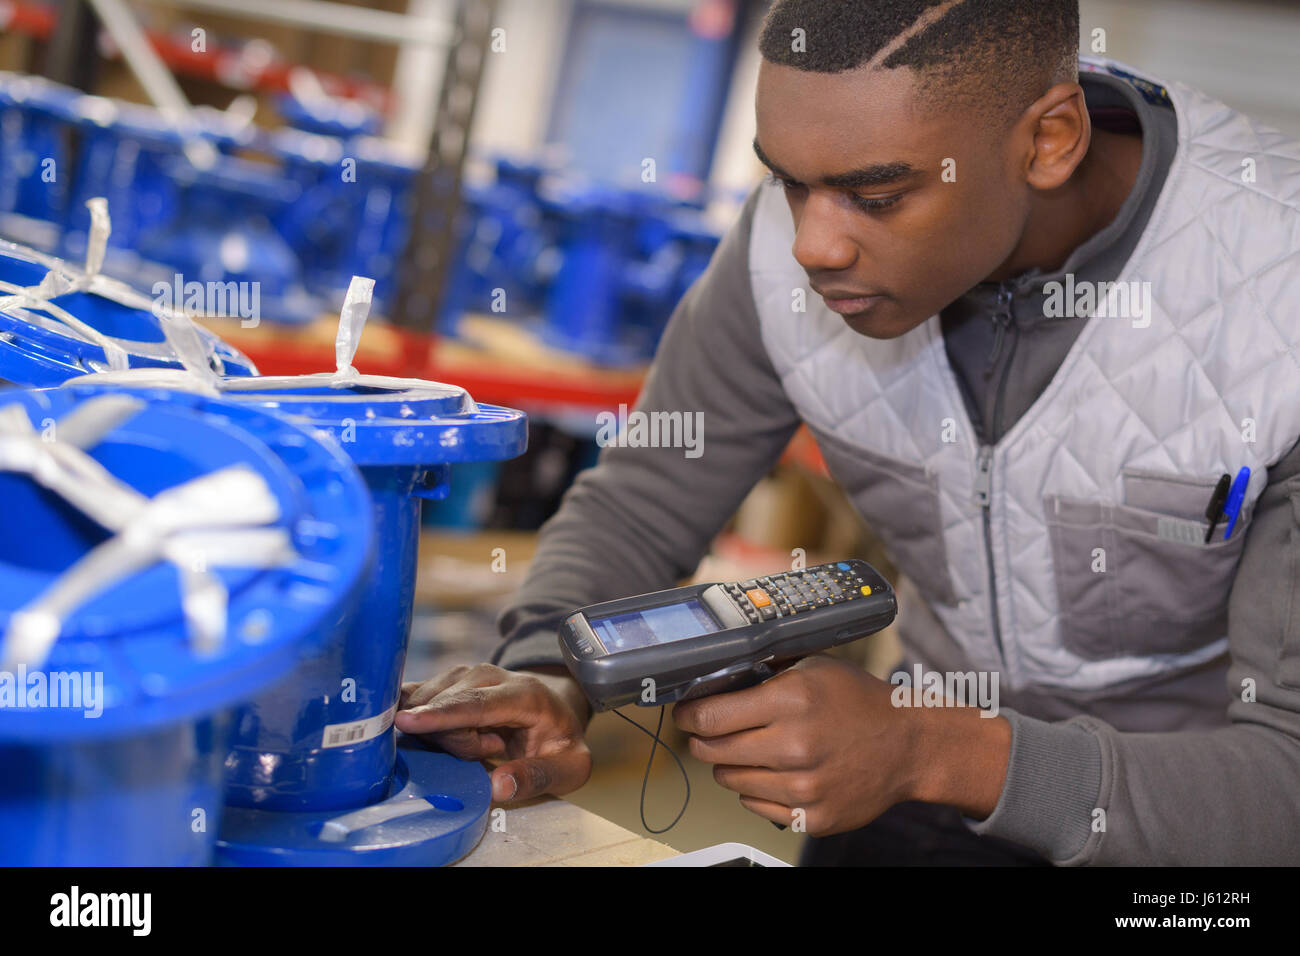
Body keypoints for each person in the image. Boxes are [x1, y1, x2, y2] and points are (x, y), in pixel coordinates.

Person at [396, 0, 1300, 865]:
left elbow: (1286, 775)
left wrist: (929, 748)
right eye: (788, 181)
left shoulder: (1276, 292)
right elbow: (645, 498)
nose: (812, 247)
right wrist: (552, 670)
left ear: (1050, 139)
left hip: (1185, 822)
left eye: (876, 195)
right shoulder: (779, 255)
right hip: (918, 794)